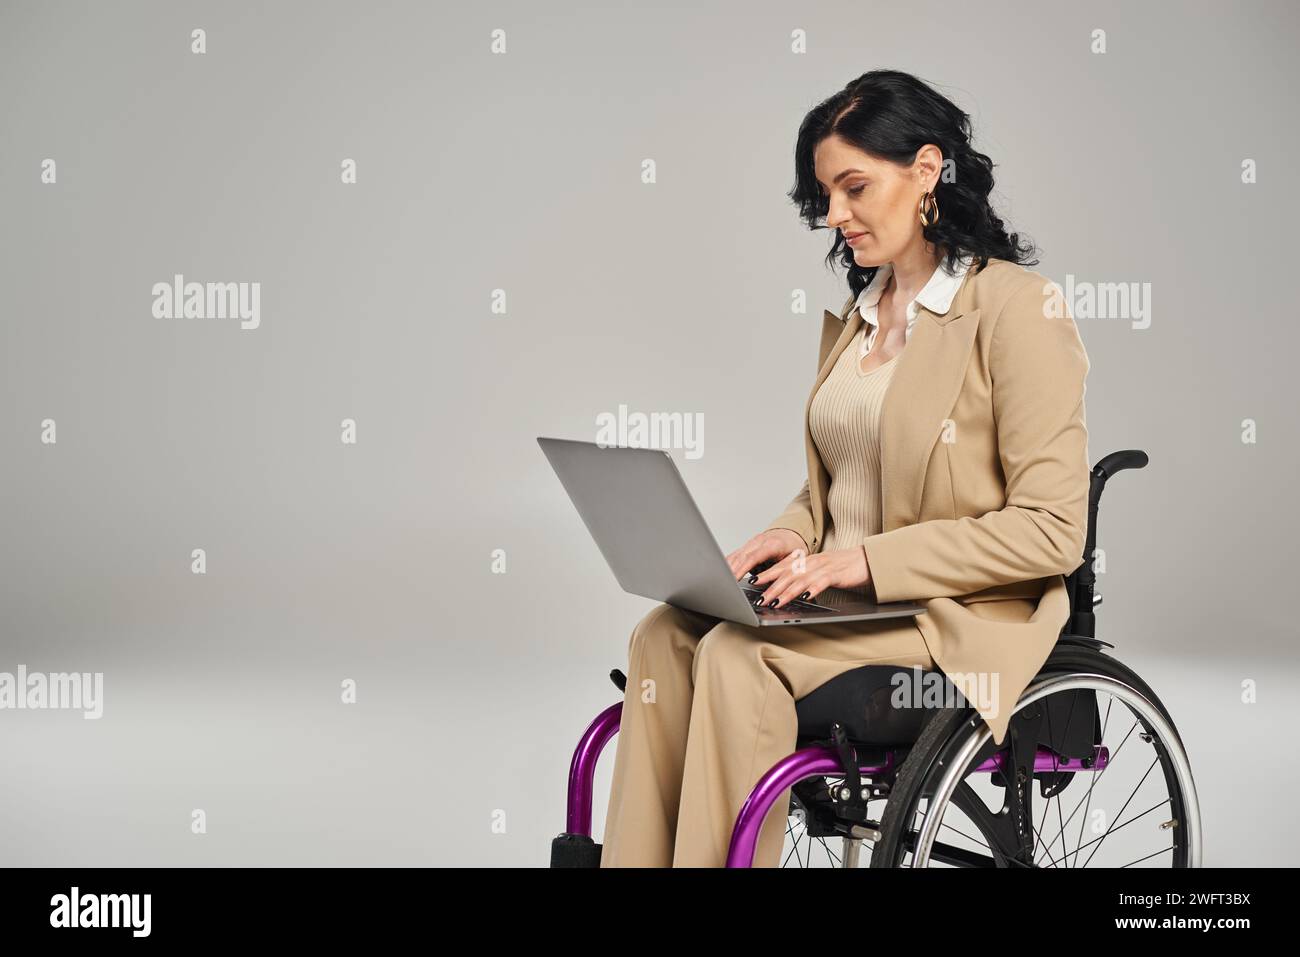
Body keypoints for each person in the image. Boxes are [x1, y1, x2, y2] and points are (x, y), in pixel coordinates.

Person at [600, 69, 1091, 868]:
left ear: (927, 171)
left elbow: (1050, 531)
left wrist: (867, 560)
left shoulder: (1015, 311)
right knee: (662, 633)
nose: (834, 215)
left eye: (853, 187)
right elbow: (840, 480)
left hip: (953, 622)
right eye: (826, 194)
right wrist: (788, 534)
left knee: (735, 655)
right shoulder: (864, 314)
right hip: (847, 607)